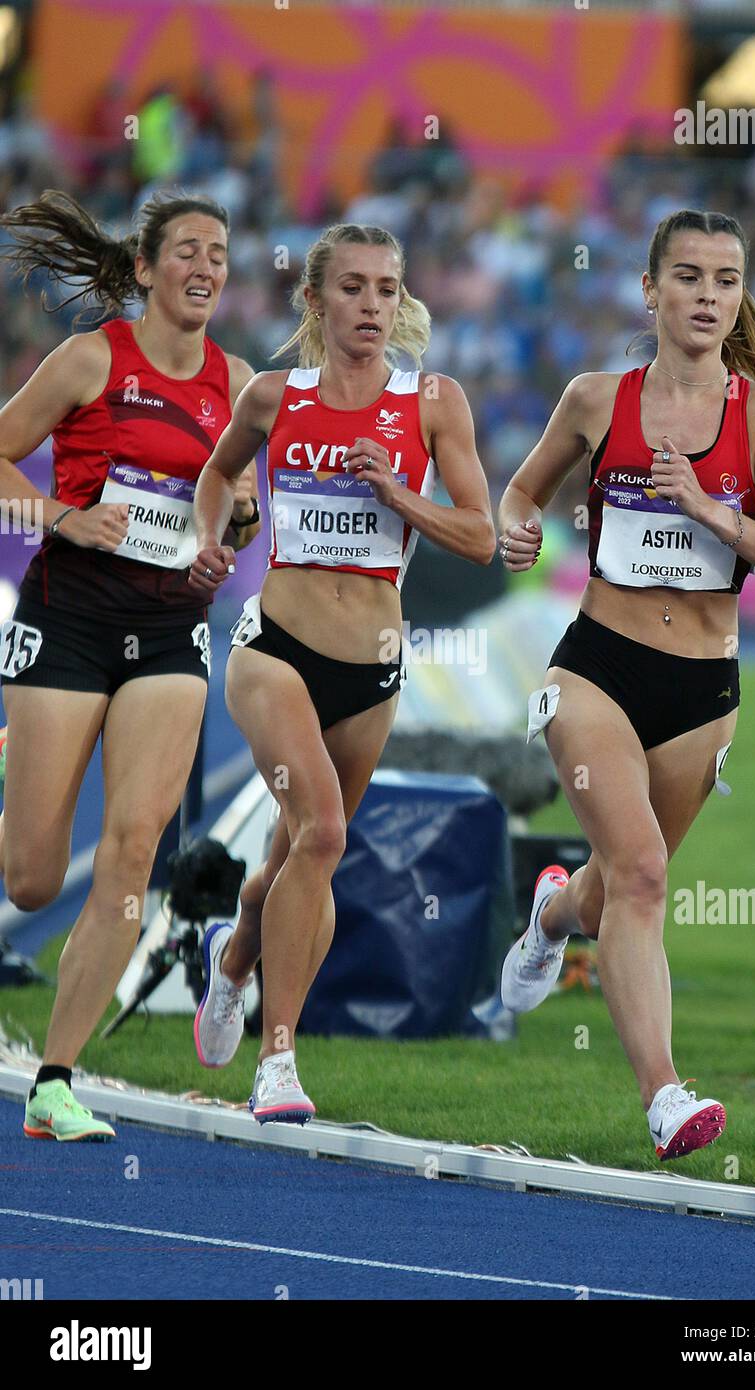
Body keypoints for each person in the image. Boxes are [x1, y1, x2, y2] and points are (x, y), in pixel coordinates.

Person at [498, 209, 755, 1161]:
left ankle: (552, 914)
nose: (708, 297)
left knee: (615, 892)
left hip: (702, 691)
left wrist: (715, 515)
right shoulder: (597, 399)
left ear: (740, 296)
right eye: (688, 277)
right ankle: (664, 1098)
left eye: (726, 281)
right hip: (598, 664)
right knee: (643, 875)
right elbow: (522, 494)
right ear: (650, 290)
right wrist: (518, 528)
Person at [190, 222, 495, 1122]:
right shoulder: (271, 396)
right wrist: (214, 538)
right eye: (354, 288)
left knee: (293, 857)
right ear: (316, 300)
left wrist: (400, 494)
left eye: (387, 290)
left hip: (372, 672)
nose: (372, 305)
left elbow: (481, 538)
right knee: (323, 834)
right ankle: (278, 1060)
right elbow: (217, 478)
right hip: (273, 650)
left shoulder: (434, 402)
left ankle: (235, 957)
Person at [0, 189, 260, 1141]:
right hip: (68, 620)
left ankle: (54, 1080)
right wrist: (63, 517)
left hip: (170, 631)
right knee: (30, 877)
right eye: (187, 251)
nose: (206, 268)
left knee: (134, 848)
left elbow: (236, 505)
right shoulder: (92, 357)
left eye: (221, 254)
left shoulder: (237, 381)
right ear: (147, 269)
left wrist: (226, 531)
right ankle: (14, 754)